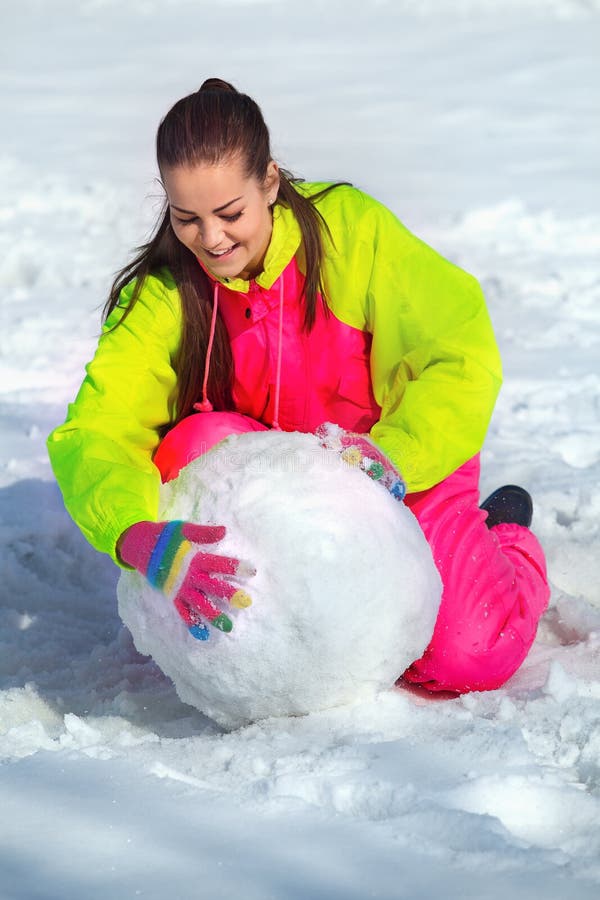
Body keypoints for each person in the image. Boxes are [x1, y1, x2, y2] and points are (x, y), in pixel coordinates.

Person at [47, 78, 549, 694]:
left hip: (389, 465)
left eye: (230, 213)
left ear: (270, 181)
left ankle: (505, 537)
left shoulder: (350, 233)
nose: (211, 239)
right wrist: (133, 532)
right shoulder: (165, 290)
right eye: (188, 219)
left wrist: (401, 452)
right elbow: (99, 427)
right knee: (193, 443)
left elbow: (458, 351)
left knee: (463, 657)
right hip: (277, 485)